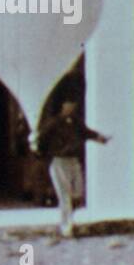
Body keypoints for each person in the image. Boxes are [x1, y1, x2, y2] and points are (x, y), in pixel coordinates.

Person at [35, 100, 110, 237]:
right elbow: (41, 139)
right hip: (59, 160)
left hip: (73, 160)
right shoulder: (53, 123)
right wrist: (44, 154)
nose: (71, 108)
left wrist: (101, 138)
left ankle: (68, 220)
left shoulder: (76, 123)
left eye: (73, 105)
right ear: (63, 106)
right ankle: (66, 227)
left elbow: (87, 133)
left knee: (78, 193)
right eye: (68, 105)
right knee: (65, 195)